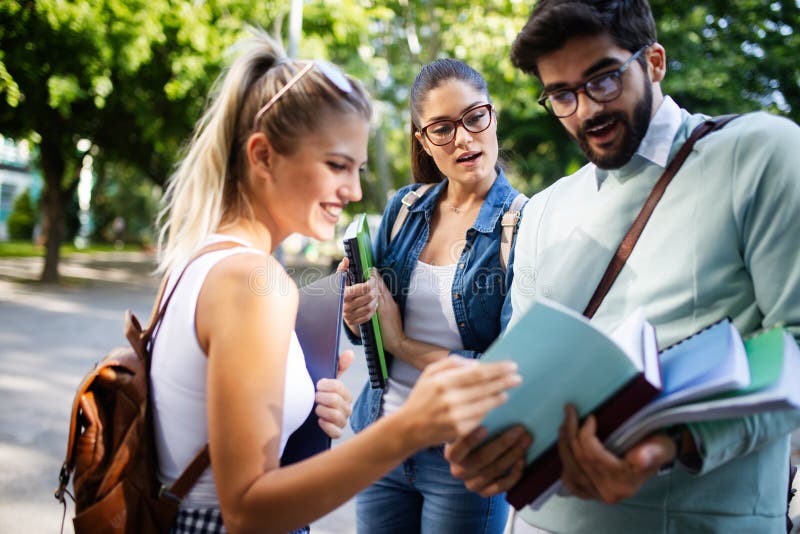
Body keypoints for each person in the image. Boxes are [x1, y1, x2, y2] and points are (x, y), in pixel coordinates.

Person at [444, 1, 800, 532]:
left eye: (603, 79)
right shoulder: (543, 209)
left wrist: (668, 444)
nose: (586, 110)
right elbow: (515, 369)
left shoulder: (760, 153)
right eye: (562, 95)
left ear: (654, 62)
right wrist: (484, 434)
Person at [150, 31, 521, 534]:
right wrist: (405, 428)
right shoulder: (255, 282)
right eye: (337, 165)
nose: (352, 191)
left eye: (358, 168)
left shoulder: (197, 259)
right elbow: (245, 511)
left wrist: (303, 396)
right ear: (262, 156)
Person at [341, 58, 528, 533]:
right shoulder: (403, 210)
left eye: (473, 118)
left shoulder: (522, 225)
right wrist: (353, 311)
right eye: (442, 128)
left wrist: (403, 344)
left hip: (462, 456)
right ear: (423, 139)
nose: (464, 138)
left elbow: (503, 371)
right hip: (383, 438)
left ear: (493, 117)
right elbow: (368, 331)